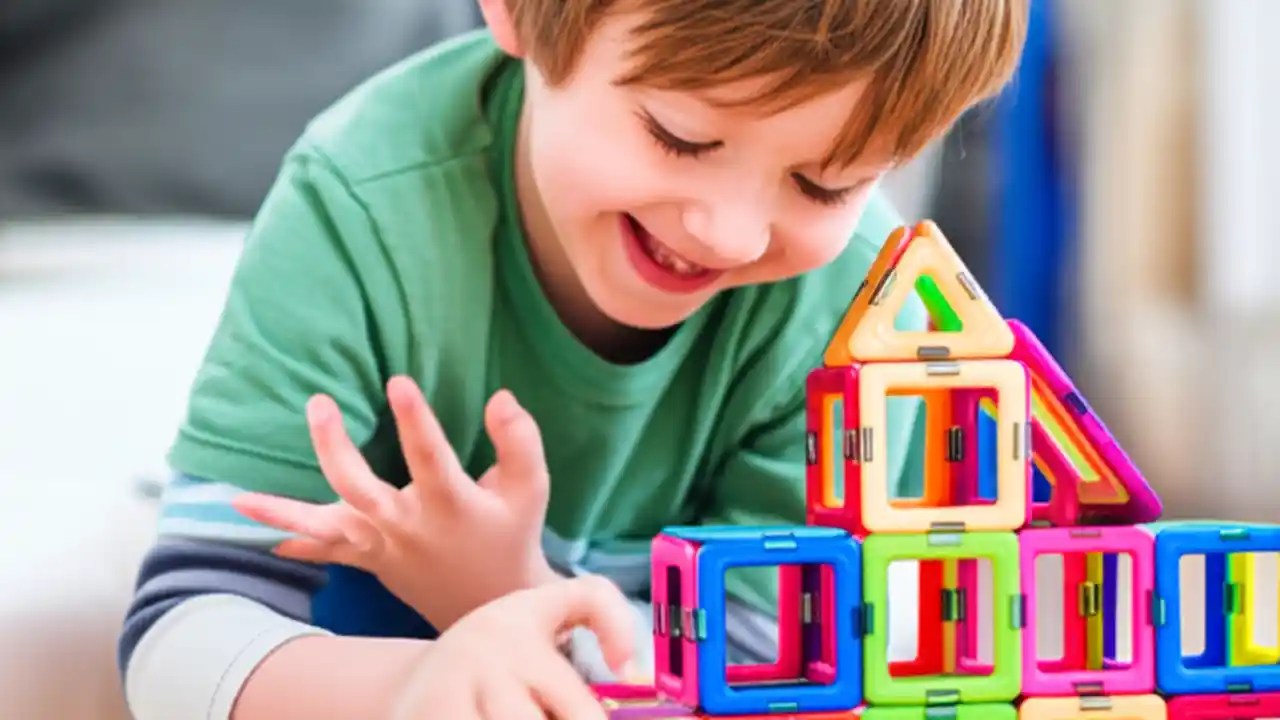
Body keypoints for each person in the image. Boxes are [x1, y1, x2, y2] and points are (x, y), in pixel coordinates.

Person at [118, 0, 1029, 718]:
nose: (731, 233)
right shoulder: (358, 206)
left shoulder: (862, 317)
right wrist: (410, 693)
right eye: (680, 135)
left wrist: (511, 595)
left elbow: (781, 680)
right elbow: (181, 630)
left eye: (825, 184)